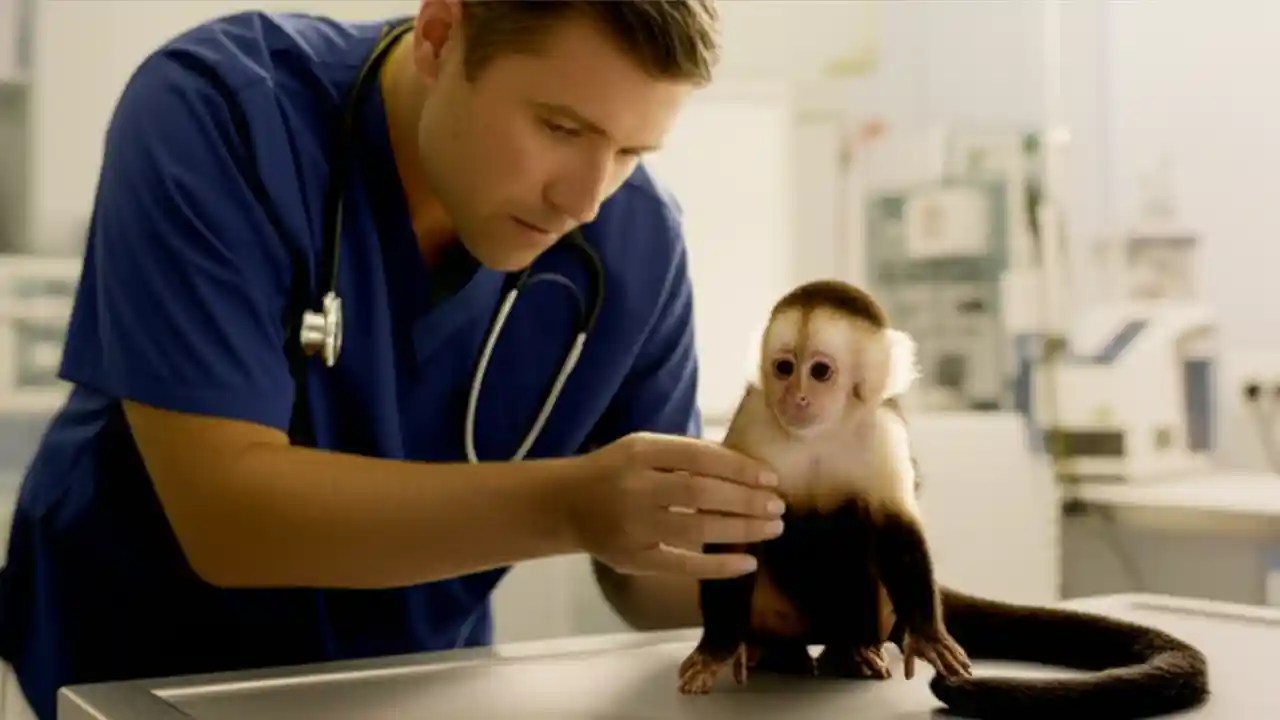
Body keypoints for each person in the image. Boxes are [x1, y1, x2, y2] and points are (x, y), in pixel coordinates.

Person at [0, 1, 789, 717]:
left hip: (405, 686)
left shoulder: (637, 241)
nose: (584, 200)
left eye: (631, 151)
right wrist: (569, 506)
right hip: (136, 676)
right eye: (560, 129)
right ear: (442, 37)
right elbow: (226, 516)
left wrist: (791, 590)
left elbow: (646, 569)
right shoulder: (223, 111)